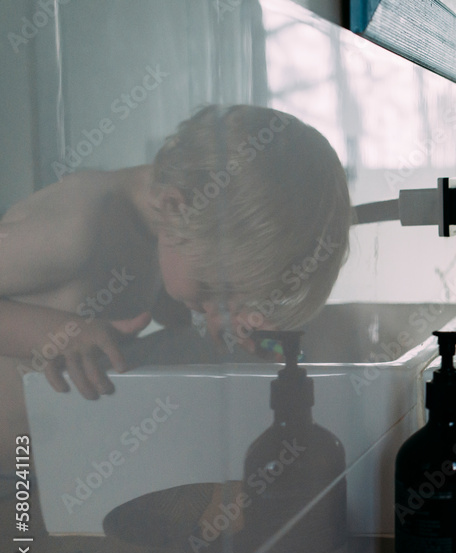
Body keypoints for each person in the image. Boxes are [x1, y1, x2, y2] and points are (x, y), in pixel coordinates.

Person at [0, 105, 351, 469]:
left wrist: (219, 320)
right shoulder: (78, 226)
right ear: (173, 207)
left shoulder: (165, 234)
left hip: (46, 465)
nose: (224, 306)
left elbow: (169, 303)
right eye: (220, 291)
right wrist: (57, 333)